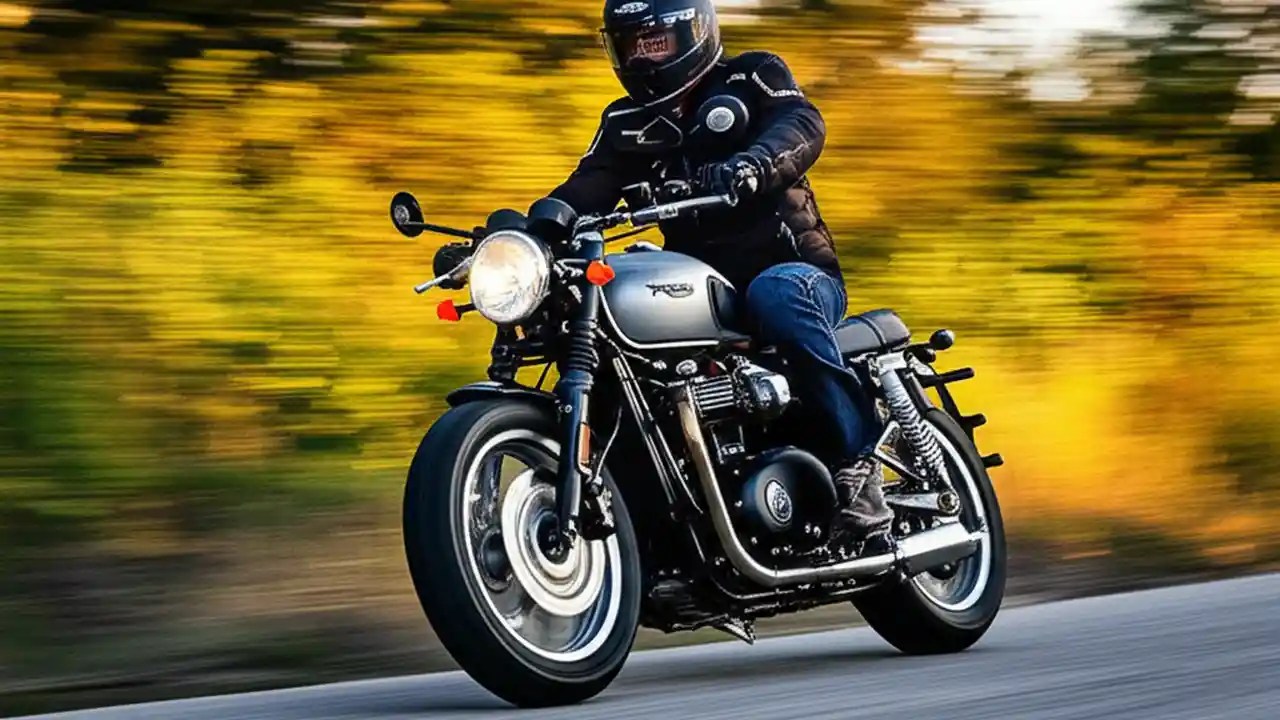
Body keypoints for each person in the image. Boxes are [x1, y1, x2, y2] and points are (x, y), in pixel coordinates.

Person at [548, 0, 894, 551]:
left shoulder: (752, 75)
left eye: (655, 40)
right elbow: (583, 188)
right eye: (631, 43)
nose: (643, 53)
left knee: (776, 295)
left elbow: (801, 123)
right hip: (704, 285)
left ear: (695, 29)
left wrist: (755, 163)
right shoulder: (625, 123)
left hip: (795, 270)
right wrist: (523, 231)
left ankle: (857, 472)